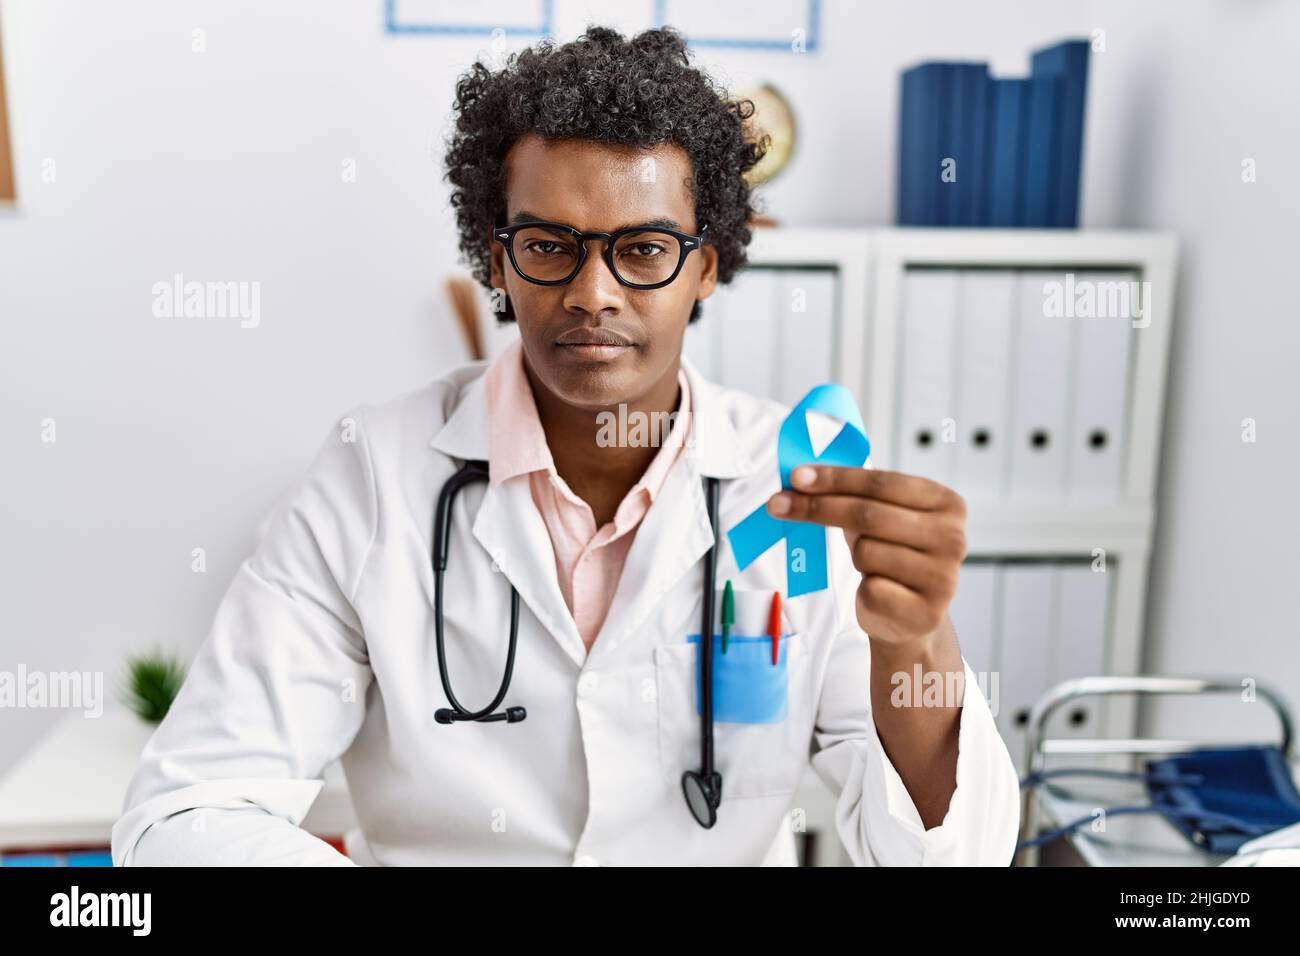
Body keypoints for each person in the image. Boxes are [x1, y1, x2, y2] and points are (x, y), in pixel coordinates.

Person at [113, 25, 1019, 866]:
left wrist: (917, 643)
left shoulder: (791, 489)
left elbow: (949, 855)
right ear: (498, 259)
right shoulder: (372, 475)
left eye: (645, 248)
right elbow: (186, 812)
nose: (593, 292)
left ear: (706, 264)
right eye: (550, 246)